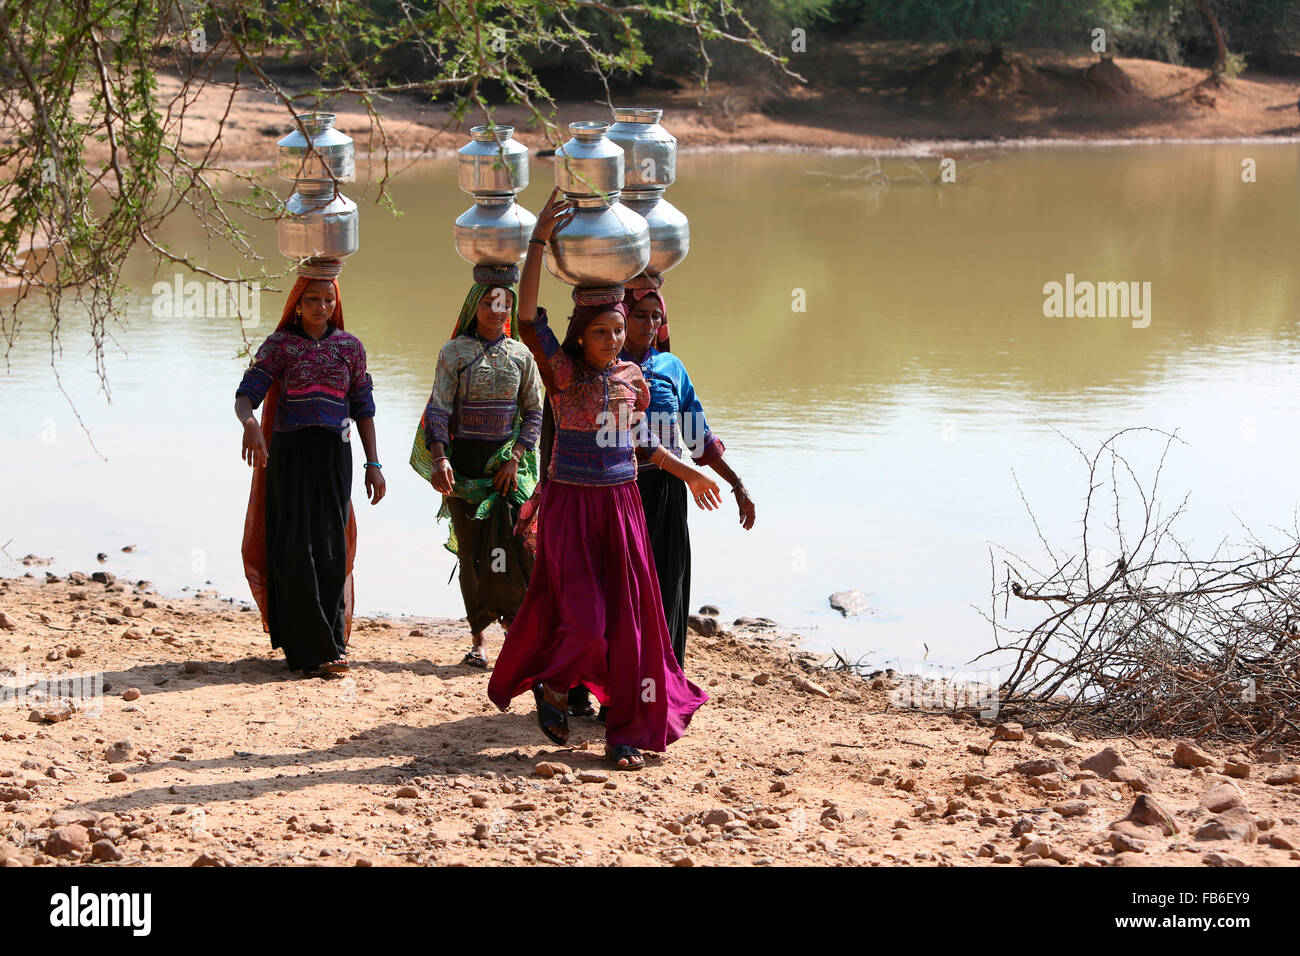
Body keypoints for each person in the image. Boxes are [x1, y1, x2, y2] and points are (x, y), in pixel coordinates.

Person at [487, 188, 721, 770]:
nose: (614, 340)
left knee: (628, 628)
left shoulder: (631, 379)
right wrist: (539, 240)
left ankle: (625, 733)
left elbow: (635, 443)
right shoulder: (562, 373)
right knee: (586, 624)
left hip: (622, 506)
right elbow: (527, 317)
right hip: (571, 507)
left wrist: (689, 471)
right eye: (602, 332)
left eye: (619, 331)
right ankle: (553, 687)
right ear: (582, 332)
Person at [237, 261, 385, 675]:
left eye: (328, 299)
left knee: (330, 545)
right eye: (313, 299)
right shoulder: (280, 345)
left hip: (336, 455)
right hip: (290, 453)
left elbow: (364, 409)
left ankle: (333, 643)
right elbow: (246, 396)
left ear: (337, 303)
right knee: (294, 545)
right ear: (297, 305)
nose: (321, 305)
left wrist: (374, 464)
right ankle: (307, 650)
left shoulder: (349, 347)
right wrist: (251, 425)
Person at [410, 282, 543, 668]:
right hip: (464, 465)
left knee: (514, 548)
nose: (497, 310)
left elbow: (534, 411)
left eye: (505, 304)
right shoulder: (455, 352)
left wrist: (516, 456)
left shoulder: (522, 355)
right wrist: (439, 459)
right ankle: (478, 640)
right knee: (471, 554)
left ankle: (515, 629)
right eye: (489, 302)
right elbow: (438, 408)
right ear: (474, 305)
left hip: (509, 468)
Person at [622, 283, 756, 664]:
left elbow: (698, 438)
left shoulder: (671, 367)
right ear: (622, 317)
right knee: (623, 588)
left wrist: (737, 484)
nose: (649, 323)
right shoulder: (607, 366)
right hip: (619, 489)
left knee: (667, 585)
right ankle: (614, 691)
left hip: (667, 490)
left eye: (655, 316)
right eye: (640, 315)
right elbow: (626, 433)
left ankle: (663, 683)